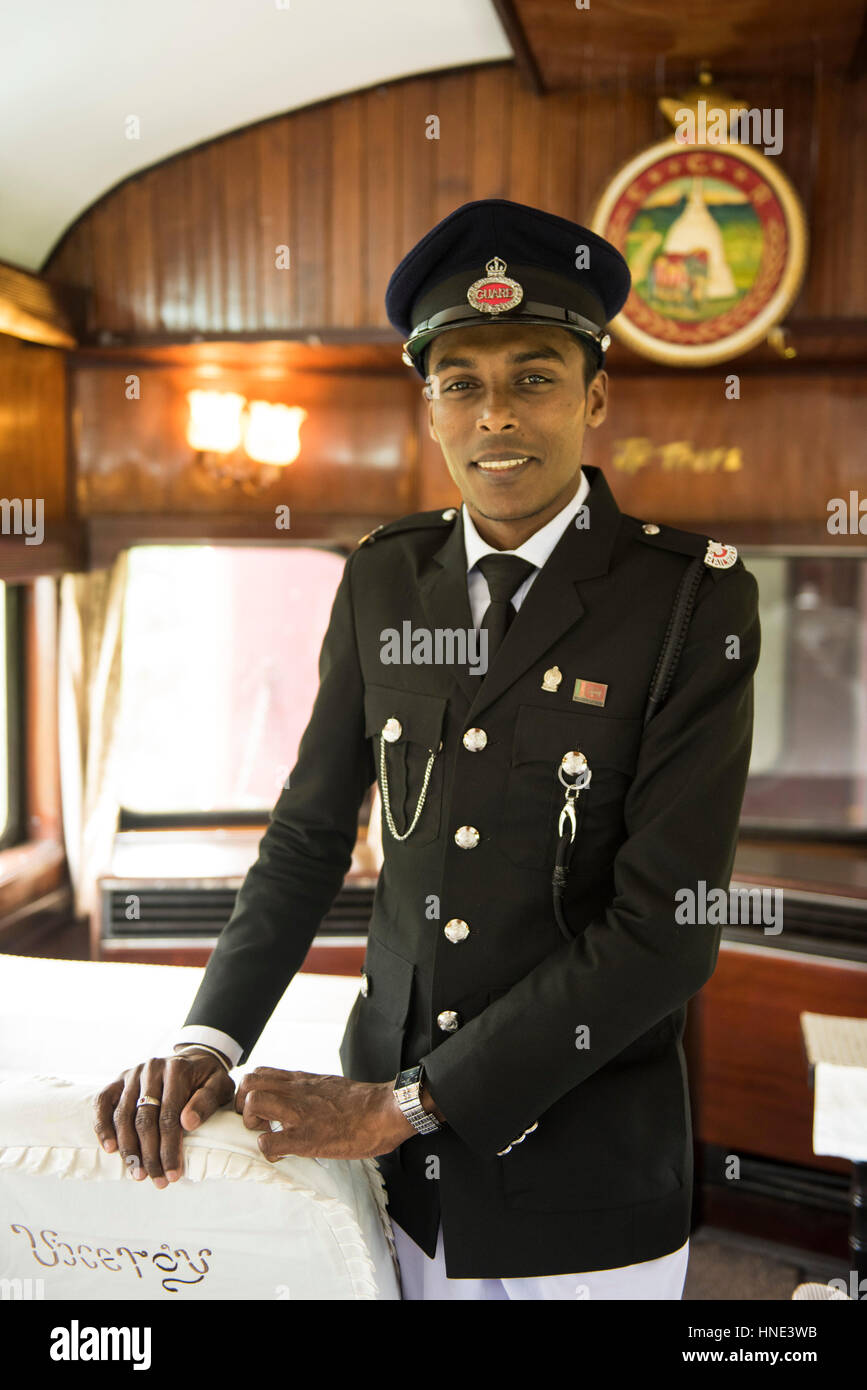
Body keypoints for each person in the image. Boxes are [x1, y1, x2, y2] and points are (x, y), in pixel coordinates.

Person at [94, 198, 760, 1300]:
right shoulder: (382, 576)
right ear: (432, 411)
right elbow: (308, 838)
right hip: (396, 1172)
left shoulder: (691, 600)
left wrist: (400, 1103)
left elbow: (667, 933)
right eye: (463, 383)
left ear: (594, 397)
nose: (498, 414)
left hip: (580, 1176)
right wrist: (211, 1035)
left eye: (534, 375)